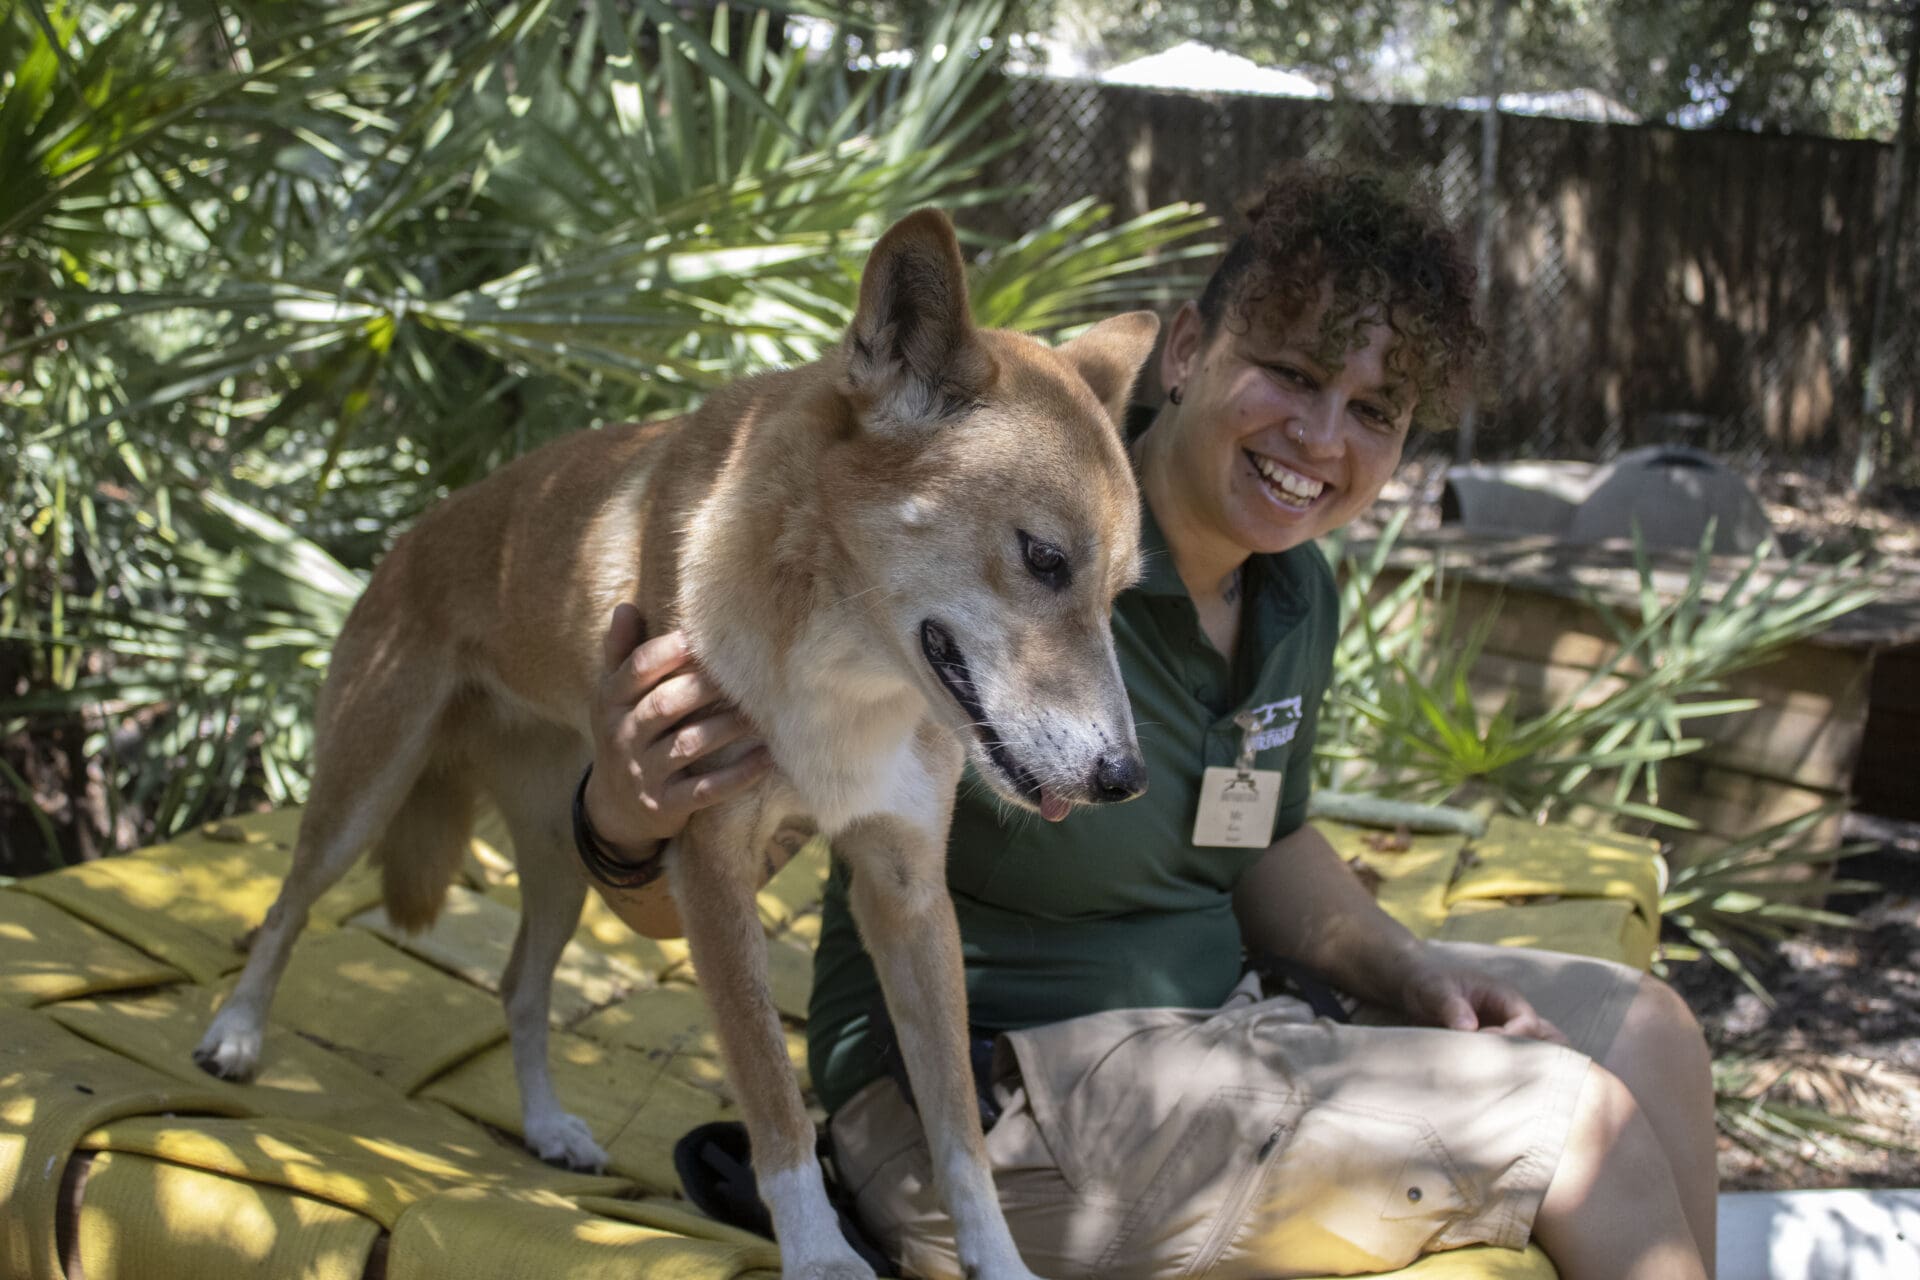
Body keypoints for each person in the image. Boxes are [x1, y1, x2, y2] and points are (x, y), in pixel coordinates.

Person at [574, 163, 1717, 1280]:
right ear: (1184, 349)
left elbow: (1256, 834)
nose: (1322, 436)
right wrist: (621, 813)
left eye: (1374, 408)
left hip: (1216, 1030)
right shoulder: (994, 546)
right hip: (1002, 1099)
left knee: (1651, 1031)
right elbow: (710, 877)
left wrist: (1408, 969)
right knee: (1578, 1125)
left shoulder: (1289, 588)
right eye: (1292, 371)